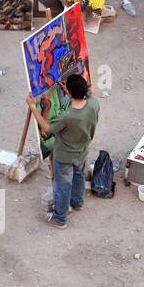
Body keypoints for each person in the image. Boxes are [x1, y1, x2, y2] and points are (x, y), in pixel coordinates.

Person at [26, 72, 99, 229]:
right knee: (79, 176)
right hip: (82, 150)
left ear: (70, 93)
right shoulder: (94, 104)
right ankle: (77, 203)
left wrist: (33, 108)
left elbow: (46, 129)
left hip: (65, 156)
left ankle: (60, 219)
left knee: (62, 186)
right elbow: (87, 96)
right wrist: (70, 91)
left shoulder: (68, 116)